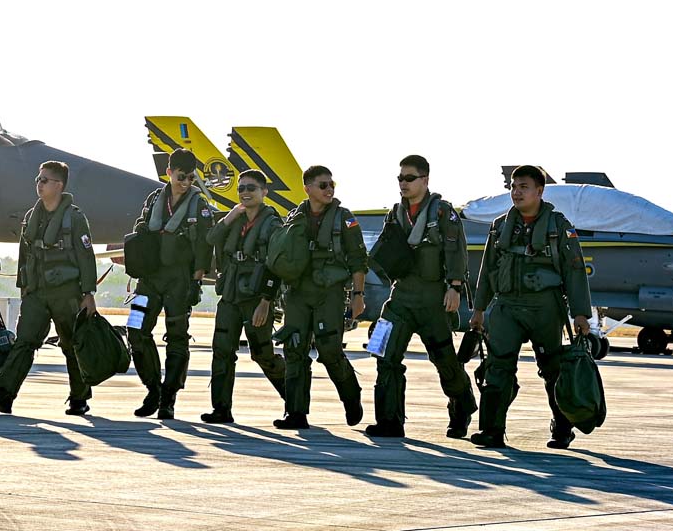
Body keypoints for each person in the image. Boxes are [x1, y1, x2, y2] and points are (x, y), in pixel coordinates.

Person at [468, 165, 593, 449]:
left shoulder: (559, 227)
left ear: (539, 191)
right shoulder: (500, 226)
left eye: (523, 186)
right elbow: (487, 269)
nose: (516, 192)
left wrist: (580, 314)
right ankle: (491, 430)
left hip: (545, 307)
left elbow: (574, 271)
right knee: (497, 368)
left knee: (553, 369)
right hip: (507, 307)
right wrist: (478, 310)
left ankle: (562, 429)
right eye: (513, 187)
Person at [364, 155, 475, 439]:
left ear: (425, 180)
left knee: (445, 360)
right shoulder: (396, 213)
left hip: (433, 298)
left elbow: (456, 251)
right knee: (381, 351)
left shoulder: (443, 212)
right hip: (400, 296)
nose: (403, 183)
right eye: (400, 178)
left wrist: (455, 287)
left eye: (409, 178)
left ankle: (462, 406)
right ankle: (389, 421)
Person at [0, 161, 99, 415]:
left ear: (59, 185)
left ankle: (79, 398)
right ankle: (4, 394)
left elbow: (86, 257)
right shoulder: (31, 217)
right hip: (36, 293)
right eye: (38, 179)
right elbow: (25, 255)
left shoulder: (75, 219)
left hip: (66, 292)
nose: (39, 184)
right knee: (25, 341)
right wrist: (24, 287)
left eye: (45, 180)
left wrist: (88, 294)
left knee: (71, 345)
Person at [274, 166, 366, 430]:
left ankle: (351, 396)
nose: (329, 190)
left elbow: (359, 260)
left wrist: (357, 296)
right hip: (298, 293)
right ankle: (296, 413)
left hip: (330, 293)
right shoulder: (294, 218)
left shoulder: (344, 219)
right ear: (308, 188)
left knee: (329, 351)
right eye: (323, 185)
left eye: (331, 185)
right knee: (295, 350)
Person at [128, 147, 214, 420]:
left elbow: (204, 244)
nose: (185, 181)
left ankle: (169, 396)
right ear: (169, 172)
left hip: (179, 278)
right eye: (180, 176)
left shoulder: (199, 205)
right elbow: (141, 227)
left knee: (177, 337)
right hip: (149, 278)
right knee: (135, 330)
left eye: (190, 177)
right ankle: (153, 388)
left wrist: (197, 280)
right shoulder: (155, 198)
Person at [201, 168, 286, 423]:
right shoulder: (235, 219)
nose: (245, 193)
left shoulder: (273, 224)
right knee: (222, 351)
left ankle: (293, 399)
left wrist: (266, 302)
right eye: (241, 189)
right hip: (230, 295)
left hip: (256, 297)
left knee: (262, 353)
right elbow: (211, 238)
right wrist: (229, 217)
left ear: (264, 192)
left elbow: (276, 266)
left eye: (251, 188)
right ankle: (221, 409)